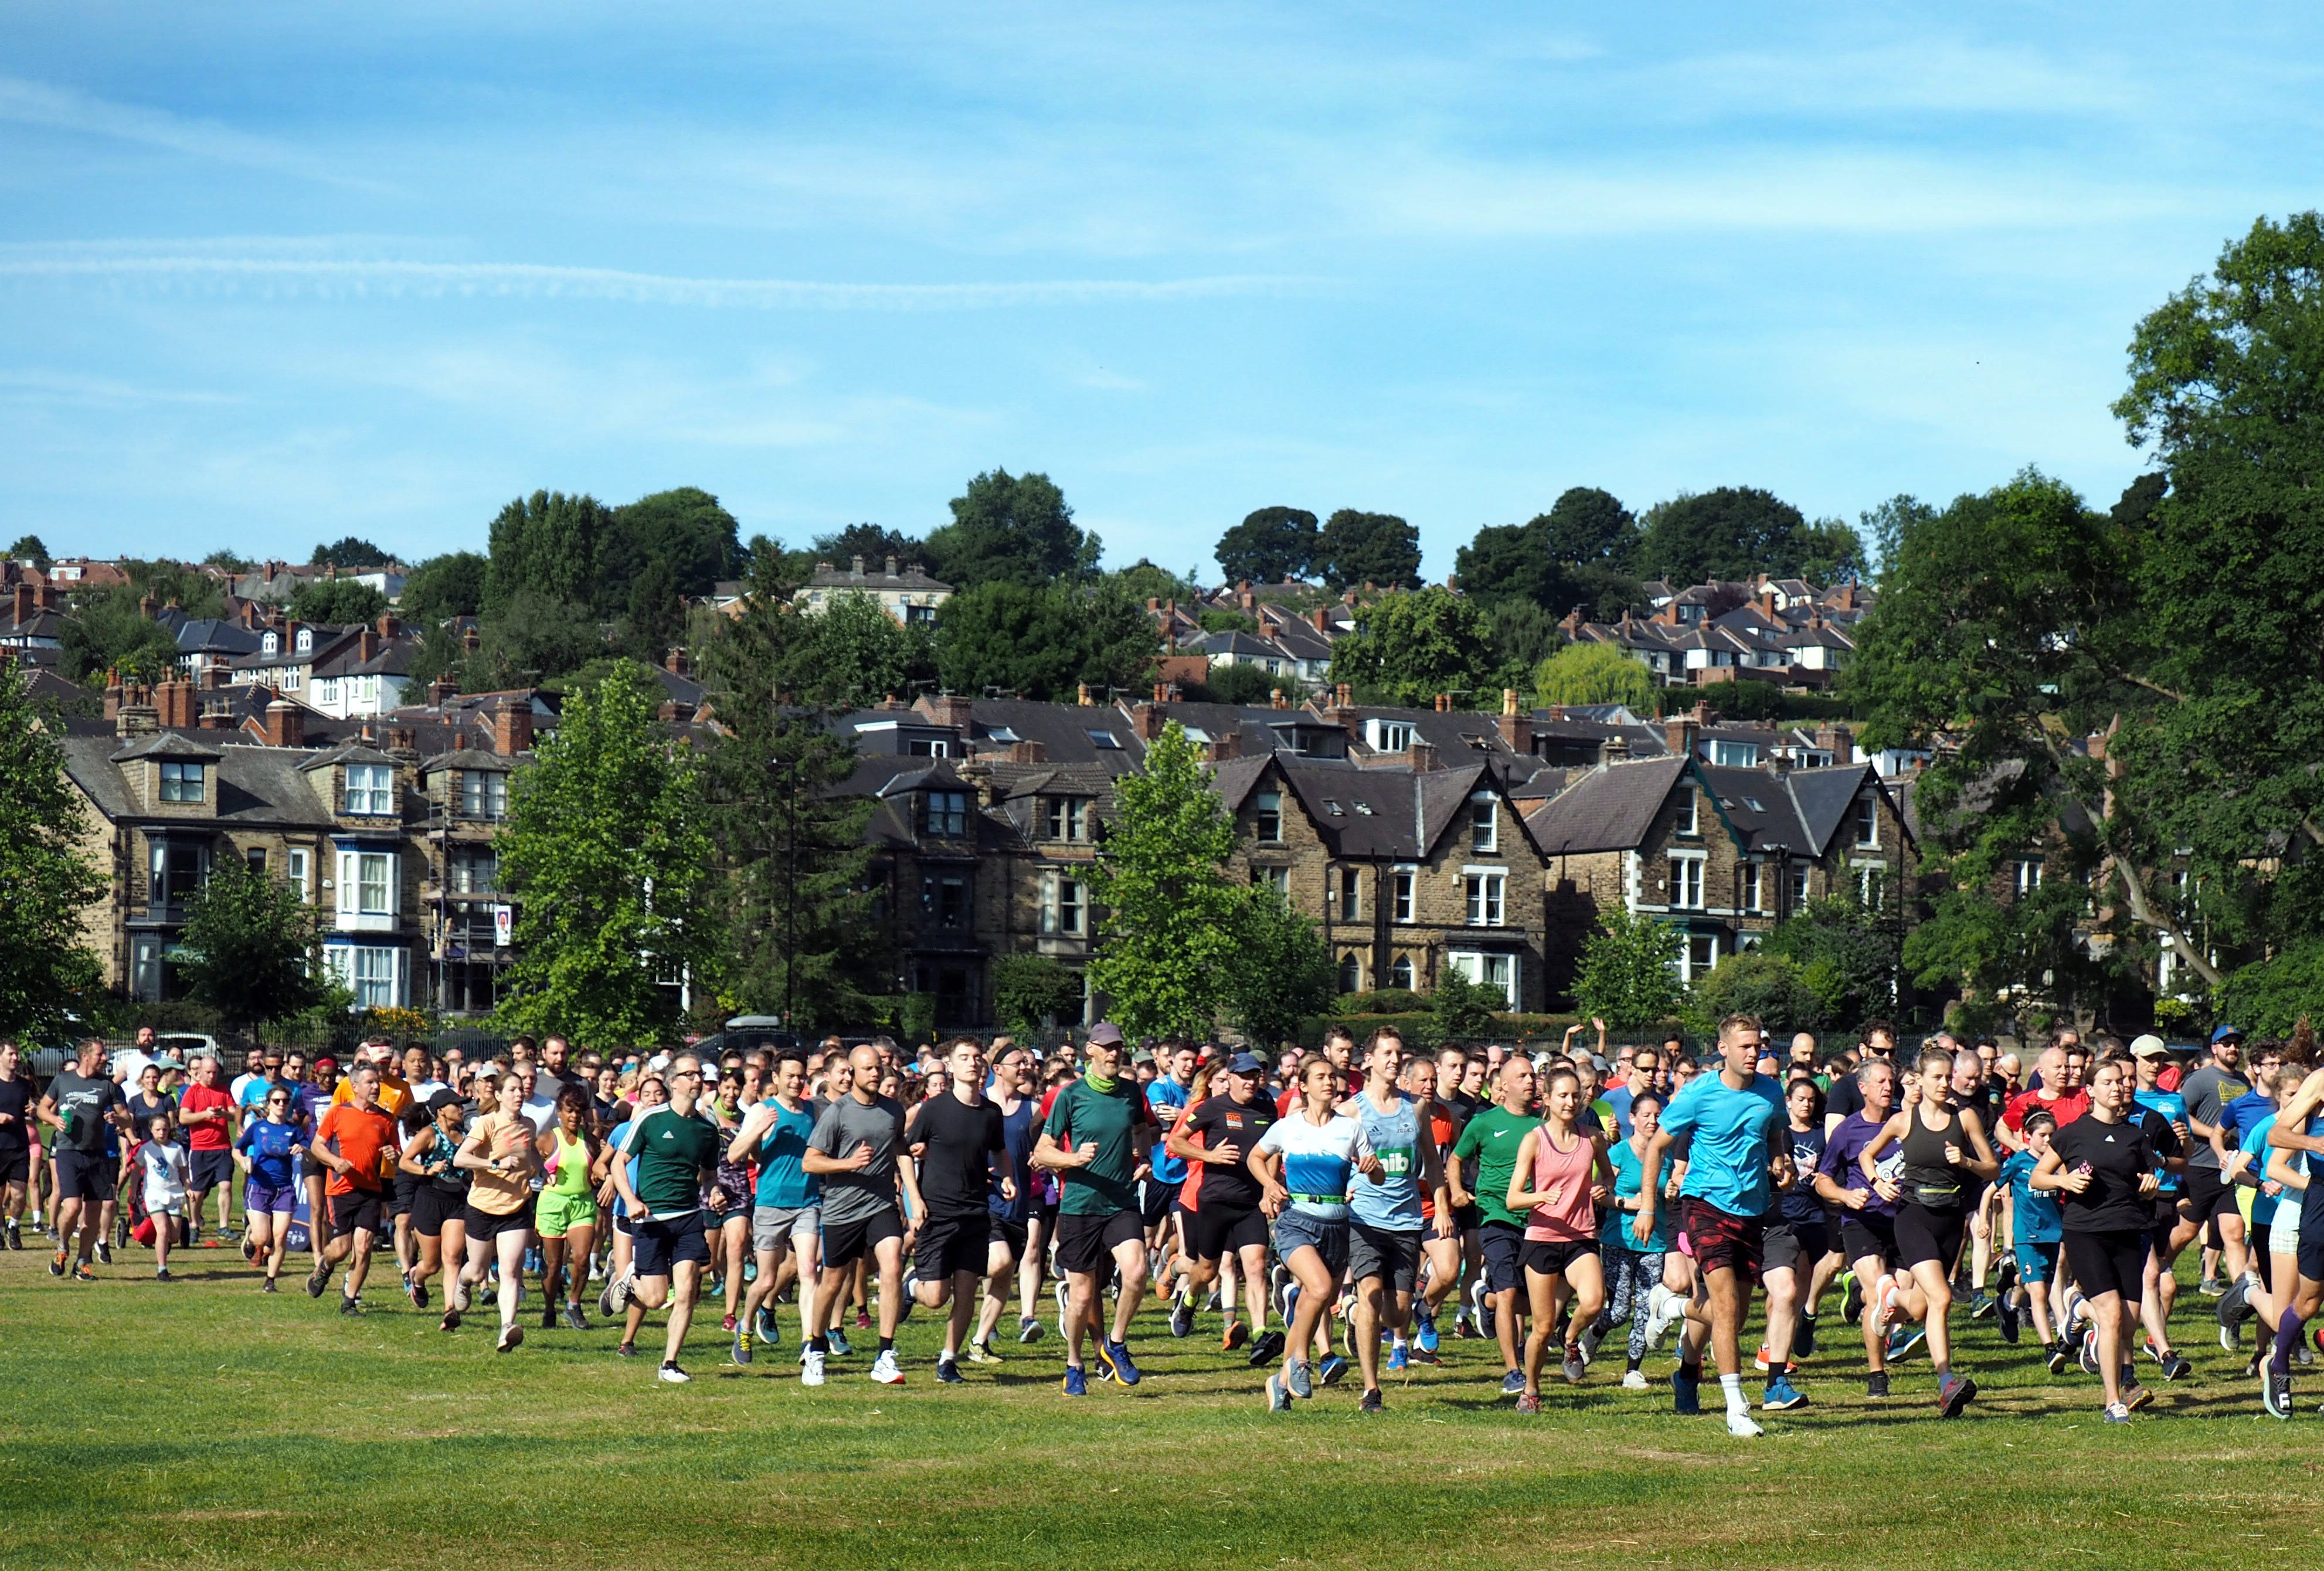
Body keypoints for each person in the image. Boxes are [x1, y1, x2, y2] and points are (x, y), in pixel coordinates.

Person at [1635, 1014, 1790, 1439]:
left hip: (1752, 1210)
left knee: (1731, 1317)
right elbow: (1656, 1146)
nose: (1754, 1052)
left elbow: (1775, 1136)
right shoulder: (1699, 1092)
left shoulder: (1771, 1091)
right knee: (1723, 1308)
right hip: (1705, 1204)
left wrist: (1780, 1162)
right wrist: (1648, 1207)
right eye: (1745, 1046)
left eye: (1758, 1045)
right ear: (1723, 1049)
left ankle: (1672, 1312)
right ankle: (1737, 1409)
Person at [2032, 1056, 2177, 1423]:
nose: (2117, 1088)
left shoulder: (2136, 1136)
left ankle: (2078, 1308)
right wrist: (2064, 1182)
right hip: (2086, 1233)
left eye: (2120, 1082)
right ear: (2091, 1090)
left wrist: (2149, 1191)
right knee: (2111, 1318)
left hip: (2130, 1232)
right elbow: (2038, 1177)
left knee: (2127, 1325)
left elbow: (2147, 1185)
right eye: (2108, 1082)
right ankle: (2113, 1402)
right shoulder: (2071, 1133)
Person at [1858, 1046, 2000, 1417]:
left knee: (1921, 1307)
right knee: (1942, 1298)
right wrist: (1877, 1182)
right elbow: (1866, 1155)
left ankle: (1890, 1298)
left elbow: (1993, 1169)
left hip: (1951, 1220)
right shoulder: (1903, 1121)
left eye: (1946, 1076)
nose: (1942, 1084)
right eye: (1935, 1077)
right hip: (1913, 1216)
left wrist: (1967, 1161)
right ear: (1919, 1080)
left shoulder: (1965, 1118)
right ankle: (1946, 1382)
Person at [1033, 1023, 1158, 1396]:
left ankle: (1115, 1344)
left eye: (1118, 1047)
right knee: (1083, 1296)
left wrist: (1145, 1156)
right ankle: (1074, 1363)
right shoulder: (1070, 1096)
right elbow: (1042, 1151)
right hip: (1080, 1205)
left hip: (1120, 1201)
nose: (1114, 1054)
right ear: (1090, 1051)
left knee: (1137, 1271)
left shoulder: (1131, 1092)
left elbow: (1141, 1130)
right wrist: (1073, 1158)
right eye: (1106, 1048)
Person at [1252, 1053, 1379, 1411]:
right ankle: (1300, 1363)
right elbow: (1255, 1158)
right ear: (1303, 1086)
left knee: (1319, 1298)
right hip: (1296, 1221)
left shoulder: (1350, 1128)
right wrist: (1269, 1185)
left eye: (1333, 1077)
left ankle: (1278, 1382)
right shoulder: (1287, 1126)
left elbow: (1378, 1175)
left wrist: (1373, 1168)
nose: (1329, 1082)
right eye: (1320, 1077)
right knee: (1321, 1288)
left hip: (1338, 1223)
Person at [801, 1043, 915, 1388]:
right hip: (842, 1209)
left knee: (893, 1265)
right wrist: (848, 1164)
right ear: (852, 1072)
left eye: (879, 1067)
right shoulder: (838, 1113)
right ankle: (816, 1348)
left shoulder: (893, 1110)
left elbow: (900, 1150)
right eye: (868, 1069)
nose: (876, 1073)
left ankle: (885, 1355)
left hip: (881, 1204)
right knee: (833, 1281)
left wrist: (913, 1196)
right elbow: (810, 1161)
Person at [1347, 1029, 1449, 1410]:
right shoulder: (1352, 1111)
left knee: (1398, 1313)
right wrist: (1342, 1190)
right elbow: (1334, 1160)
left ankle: (1356, 1315)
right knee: (1371, 1294)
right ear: (1369, 1060)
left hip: (1406, 1221)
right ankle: (1371, 1390)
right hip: (1365, 1220)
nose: (1394, 1059)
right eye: (1386, 1053)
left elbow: (1433, 1162)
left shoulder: (1416, 1108)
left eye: (1398, 1053)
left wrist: (1440, 1204)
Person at [1506, 1065, 1614, 1413]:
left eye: (1575, 1095)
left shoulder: (1591, 1138)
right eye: (1563, 1095)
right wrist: (1540, 1197)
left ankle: (1571, 1341)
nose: (1570, 1102)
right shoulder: (1534, 1139)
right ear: (1547, 1099)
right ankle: (1532, 1388)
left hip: (1581, 1235)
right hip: (1542, 1237)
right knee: (1542, 1326)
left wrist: (1604, 1189)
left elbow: (1610, 1178)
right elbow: (1513, 1198)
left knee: (1595, 1302)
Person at [610, 1052, 723, 1383]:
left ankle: (670, 1363)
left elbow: (710, 1174)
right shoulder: (651, 1120)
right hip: (651, 1218)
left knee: (687, 1290)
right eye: (689, 1074)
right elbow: (618, 1163)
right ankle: (631, 1280)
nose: (697, 1079)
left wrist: (714, 1192)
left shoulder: (706, 1129)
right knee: (657, 1298)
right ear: (673, 1083)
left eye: (699, 1074)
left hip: (688, 1216)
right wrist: (630, 1200)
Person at [904, 1037, 1012, 1383]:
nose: (972, 1063)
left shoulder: (991, 1112)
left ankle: (948, 1360)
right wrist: (915, 1199)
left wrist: (1008, 1176)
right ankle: (911, 1287)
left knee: (966, 1289)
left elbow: (999, 1150)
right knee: (936, 1297)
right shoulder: (933, 1109)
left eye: (977, 1057)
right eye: (964, 1057)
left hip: (976, 1211)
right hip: (938, 1210)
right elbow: (905, 1151)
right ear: (949, 1066)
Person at [1168, 1050, 1280, 1361]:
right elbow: (1176, 1143)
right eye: (1244, 1076)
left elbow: (1273, 1151)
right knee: (1207, 1270)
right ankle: (1188, 1301)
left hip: (1250, 1202)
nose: (1251, 1082)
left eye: (1255, 1076)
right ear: (1229, 1078)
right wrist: (1210, 1156)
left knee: (1256, 1266)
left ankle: (1260, 1336)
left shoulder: (1267, 1108)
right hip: (1215, 1200)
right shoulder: (1212, 1108)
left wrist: (1270, 1187)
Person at [1449, 1056, 1540, 1395]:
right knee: (1509, 1291)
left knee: (1541, 1301)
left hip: (1535, 1219)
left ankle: (1484, 1299)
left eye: (1532, 1075)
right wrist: (1458, 1190)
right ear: (1503, 1085)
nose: (1530, 1081)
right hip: (1495, 1216)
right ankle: (1513, 1371)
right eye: (1522, 1076)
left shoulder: (1544, 1124)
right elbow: (1457, 1158)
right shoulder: (1485, 1123)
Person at [729, 1049, 821, 1365]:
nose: (797, 1081)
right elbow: (734, 1155)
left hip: (807, 1202)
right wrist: (758, 1129)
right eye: (790, 1076)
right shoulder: (761, 1110)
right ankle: (745, 1324)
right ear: (777, 1078)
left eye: (801, 1076)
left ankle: (810, 1343)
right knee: (767, 1281)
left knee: (809, 1271)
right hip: (771, 1204)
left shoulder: (812, 1111)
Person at [1592, 1090, 1680, 1389]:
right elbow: (1600, 1195)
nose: (1653, 1121)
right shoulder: (1618, 1153)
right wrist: (1630, 1204)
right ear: (1632, 1119)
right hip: (1619, 1238)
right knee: (1618, 1312)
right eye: (1646, 1115)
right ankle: (1595, 1333)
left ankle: (1632, 1371)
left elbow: (1668, 1190)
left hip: (1653, 1241)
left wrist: (1669, 1193)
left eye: (1658, 1116)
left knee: (1645, 1307)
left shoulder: (1665, 1156)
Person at [1755, 1076, 1829, 1408]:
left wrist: (1787, 1174)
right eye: (1800, 1098)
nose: (1806, 1105)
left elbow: (1786, 1167)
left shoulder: (1785, 1134)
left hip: (1788, 1220)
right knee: (1728, 1310)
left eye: (1811, 1099)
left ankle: (1775, 1380)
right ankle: (1686, 1345)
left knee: (1789, 1292)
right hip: (1734, 1218)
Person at [307, 1059, 399, 1315]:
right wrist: (335, 1163)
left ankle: (349, 1300)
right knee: (342, 1248)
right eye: (370, 1082)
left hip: (371, 1189)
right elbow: (317, 1146)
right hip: (341, 1189)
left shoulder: (387, 1119)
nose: (376, 1087)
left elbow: (399, 1154)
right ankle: (325, 1266)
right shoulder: (337, 1113)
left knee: (365, 1244)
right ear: (355, 1086)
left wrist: (395, 1155)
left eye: (377, 1082)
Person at [2261, 1062, 2324, 1419]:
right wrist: (2314, 1142)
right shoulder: (2319, 1081)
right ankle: (2279, 1363)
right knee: (2309, 1301)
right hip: (2320, 1199)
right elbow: (2277, 1136)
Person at [41, 1039, 132, 1280]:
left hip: (98, 1154)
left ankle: (83, 1261)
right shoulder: (63, 1080)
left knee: (94, 1209)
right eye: (101, 1055)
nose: (105, 1059)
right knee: (72, 1207)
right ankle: (62, 1247)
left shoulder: (108, 1085)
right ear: (86, 1057)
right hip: (69, 1152)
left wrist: (117, 1120)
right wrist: (53, 1120)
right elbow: (43, 1108)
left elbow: (127, 1120)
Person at [971, 1040, 1038, 1362]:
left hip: (1019, 1203)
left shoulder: (1034, 1109)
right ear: (997, 1070)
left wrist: (1044, 1159)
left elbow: (1043, 1145)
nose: (1025, 1067)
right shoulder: (979, 1106)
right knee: (997, 1262)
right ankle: (951, 1271)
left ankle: (980, 1343)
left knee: (1004, 1273)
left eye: (1026, 1063)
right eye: (1017, 1063)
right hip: (984, 1200)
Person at [2182, 1026, 2254, 1295]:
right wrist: (2215, 1134)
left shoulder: (2244, 1084)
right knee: (2187, 1232)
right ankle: (2159, 1267)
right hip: (2202, 1165)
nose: (2233, 1049)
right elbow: (2182, 1116)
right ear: (2214, 1049)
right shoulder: (2199, 1080)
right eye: (2226, 1044)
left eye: (2236, 1044)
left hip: (2233, 1169)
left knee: (2235, 1234)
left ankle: (2239, 1297)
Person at [1997, 1111, 2068, 1363]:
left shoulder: (2059, 1165)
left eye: (2052, 1135)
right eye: (2042, 1135)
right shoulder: (2018, 1162)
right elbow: (1993, 1188)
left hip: (2054, 1231)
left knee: (2043, 1285)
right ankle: (2050, 1349)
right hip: (2027, 1234)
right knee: (2039, 1293)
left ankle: (2012, 1281)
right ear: (2028, 1136)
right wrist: (1985, 1218)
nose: (2048, 1140)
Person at [535, 1085, 602, 1332]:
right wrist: (542, 1173)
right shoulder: (547, 1139)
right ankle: (550, 1308)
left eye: (579, 1112)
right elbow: (532, 1163)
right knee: (553, 1265)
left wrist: (597, 1178)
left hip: (582, 1204)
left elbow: (596, 1169)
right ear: (560, 1112)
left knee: (582, 1259)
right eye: (569, 1111)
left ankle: (574, 1305)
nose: (574, 1116)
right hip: (553, 1205)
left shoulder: (591, 1142)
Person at [399, 1089, 469, 1312]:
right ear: (441, 1111)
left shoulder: (466, 1133)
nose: (461, 1109)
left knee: (453, 1257)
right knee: (431, 1264)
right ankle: (417, 1278)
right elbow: (404, 1162)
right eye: (456, 1105)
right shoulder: (430, 1134)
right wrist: (427, 1169)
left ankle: (450, 1310)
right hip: (430, 1199)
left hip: (457, 1200)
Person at [235, 1084, 304, 1291]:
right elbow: (237, 1150)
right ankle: (252, 1238)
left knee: (280, 1237)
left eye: (285, 1101)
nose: (281, 1105)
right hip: (259, 1187)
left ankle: (270, 1280)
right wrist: (244, 1160)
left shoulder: (293, 1130)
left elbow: (311, 1148)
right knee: (263, 1237)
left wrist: (304, 1149)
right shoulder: (257, 1128)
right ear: (269, 1104)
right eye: (277, 1101)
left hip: (284, 1189)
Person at [178, 1053, 236, 1246]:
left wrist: (223, 1114)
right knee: (197, 1192)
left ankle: (224, 1226)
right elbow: (184, 1118)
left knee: (226, 1186)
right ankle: (194, 1225)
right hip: (200, 1148)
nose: (212, 1076)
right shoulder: (192, 1092)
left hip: (223, 1147)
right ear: (199, 1073)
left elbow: (235, 1116)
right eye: (208, 1072)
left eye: (215, 1072)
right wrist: (205, 1114)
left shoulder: (224, 1090)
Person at [135, 1113, 189, 1280]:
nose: (161, 1133)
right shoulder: (146, 1150)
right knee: (163, 1230)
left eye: (165, 1129)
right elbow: (137, 1171)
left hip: (174, 1193)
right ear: (151, 1130)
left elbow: (183, 1171)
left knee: (173, 1237)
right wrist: (133, 1188)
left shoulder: (177, 1149)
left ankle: (168, 1241)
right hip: (154, 1194)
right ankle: (162, 1269)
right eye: (158, 1129)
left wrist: (188, 1188)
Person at [0, 1040, 36, 1251]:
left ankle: (14, 1226)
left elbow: (29, 1107)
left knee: (19, 1193)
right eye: (11, 1054)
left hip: (20, 1147)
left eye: (16, 1055)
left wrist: (33, 1109)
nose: (15, 1058)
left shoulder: (23, 1084)